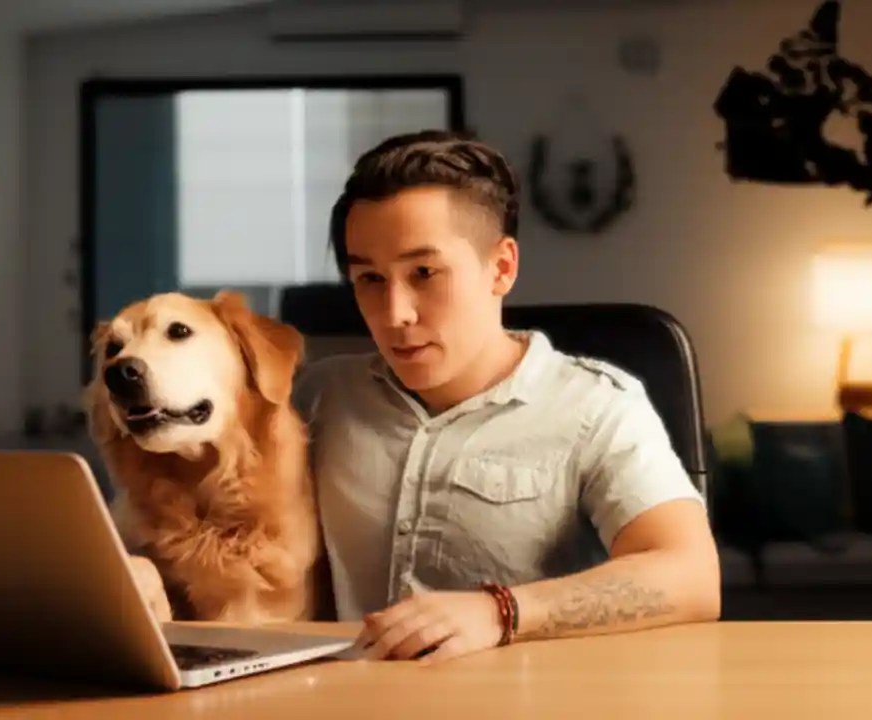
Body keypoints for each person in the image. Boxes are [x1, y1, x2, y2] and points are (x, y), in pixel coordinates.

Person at [292, 130, 720, 665]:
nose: (395, 313)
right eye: (370, 278)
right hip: (345, 694)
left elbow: (691, 576)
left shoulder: (597, 407)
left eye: (424, 273)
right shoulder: (317, 397)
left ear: (501, 267)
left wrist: (503, 612)